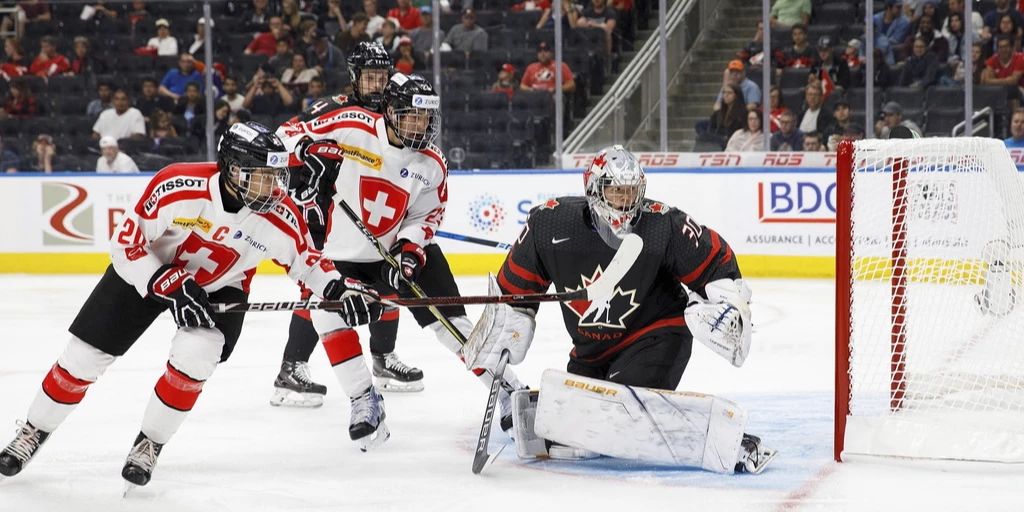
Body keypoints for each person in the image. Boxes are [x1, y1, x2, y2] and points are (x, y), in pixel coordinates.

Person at [0, 122, 383, 487]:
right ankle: (33, 430)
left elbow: (309, 265)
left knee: (197, 355)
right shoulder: (178, 185)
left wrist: (341, 291)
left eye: (276, 176)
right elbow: (126, 244)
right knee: (83, 358)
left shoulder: (279, 214)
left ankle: (150, 443)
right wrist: (162, 281)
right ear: (232, 170)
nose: (273, 187)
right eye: (261, 176)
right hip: (148, 269)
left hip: (219, 287)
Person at [463, 145, 775, 474]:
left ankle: (730, 444)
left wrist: (728, 304)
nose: (625, 200)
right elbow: (513, 293)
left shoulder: (662, 225)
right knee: (574, 425)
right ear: (593, 189)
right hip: (591, 352)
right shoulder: (549, 224)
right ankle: (547, 411)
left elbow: (716, 262)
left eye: (631, 191)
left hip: (655, 337)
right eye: (616, 190)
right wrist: (506, 326)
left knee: (614, 415)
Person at [275, 73, 528, 444]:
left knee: (451, 325)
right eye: (412, 116)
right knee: (324, 313)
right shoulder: (351, 124)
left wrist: (409, 250)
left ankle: (509, 391)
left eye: (426, 118)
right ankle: (364, 399)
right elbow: (284, 137)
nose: (420, 125)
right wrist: (308, 152)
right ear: (390, 112)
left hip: (399, 254)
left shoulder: (433, 163)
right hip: (345, 255)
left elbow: (427, 215)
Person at [270, 42, 421, 406]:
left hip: (371, 213)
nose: (377, 84)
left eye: (383, 77)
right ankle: (291, 368)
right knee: (322, 286)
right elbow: (284, 135)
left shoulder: (394, 111)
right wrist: (307, 150)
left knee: (388, 277)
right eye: (370, 77)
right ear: (354, 77)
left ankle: (383, 358)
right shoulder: (336, 109)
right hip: (325, 212)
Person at [873, 0, 910, 65]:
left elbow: (895, 40)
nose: (900, 10)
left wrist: (877, 42)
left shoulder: (904, 21)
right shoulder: (876, 18)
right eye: (898, 7)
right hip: (875, 47)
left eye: (901, 7)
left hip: (892, 49)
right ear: (889, 8)